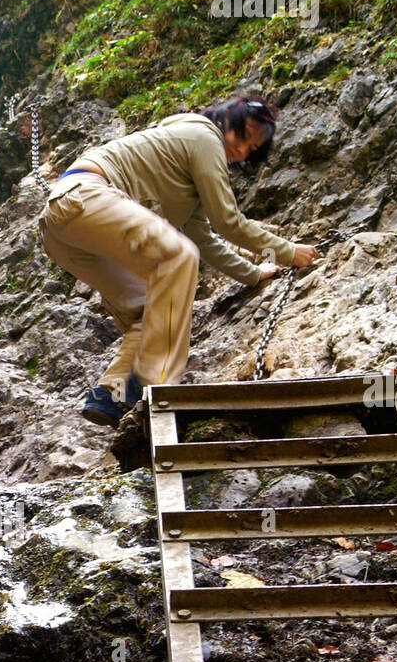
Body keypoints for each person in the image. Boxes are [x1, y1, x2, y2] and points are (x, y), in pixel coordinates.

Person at [37, 95, 320, 426]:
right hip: (84, 196)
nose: (242, 151)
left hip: (65, 234)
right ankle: (159, 387)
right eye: (243, 136)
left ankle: (111, 396)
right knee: (179, 256)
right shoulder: (202, 135)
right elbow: (228, 221)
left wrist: (254, 274)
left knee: (150, 311)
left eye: (252, 149)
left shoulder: (187, 174)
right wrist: (289, 250)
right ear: (227, 120)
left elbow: (206, 239)